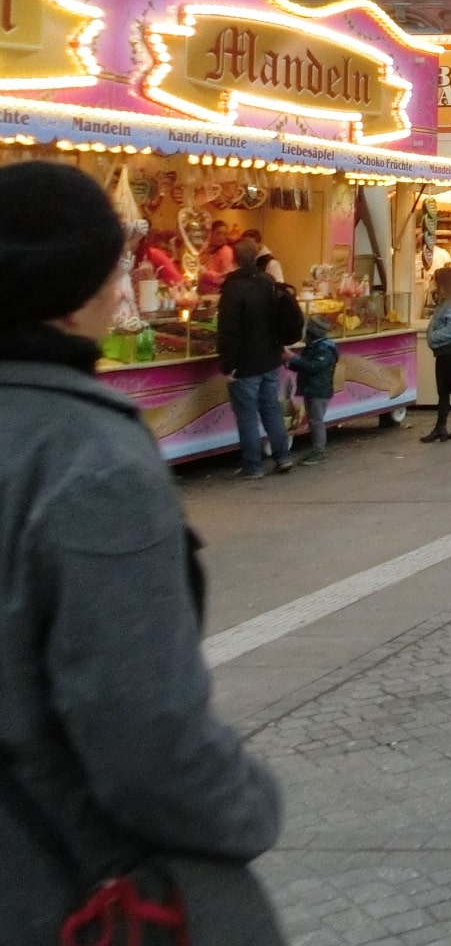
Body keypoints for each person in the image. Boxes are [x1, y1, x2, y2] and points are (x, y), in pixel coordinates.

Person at [0, 161, 286, 945]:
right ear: (89, 290)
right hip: (51, 886)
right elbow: (144, 738)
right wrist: (251, 809)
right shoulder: (92, 461)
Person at [219, 235, 296, 477]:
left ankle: (252, 466)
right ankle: (282, 457)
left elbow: (229, 330)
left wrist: (228, 365)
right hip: (269, 358)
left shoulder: (232, 288)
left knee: (247, 415)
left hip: (245, 363)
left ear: (235, 259)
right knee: (271, 408)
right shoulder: (267, 282)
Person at [421, 265, 451, 442]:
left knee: (446, 390)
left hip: (447, 351)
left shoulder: (449, 303)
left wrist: (433, 336)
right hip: (450, 350)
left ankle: (445, 426)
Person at [287, 317, 339, 463]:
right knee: (313, 420)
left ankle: (319, 451)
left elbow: (314, 367)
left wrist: (293, 359)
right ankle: (316, 449)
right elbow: (305, 366)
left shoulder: (325, 349)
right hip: (312, 388)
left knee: (316, 421)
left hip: (319, 390)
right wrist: (289, 361)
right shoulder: (315, 347)